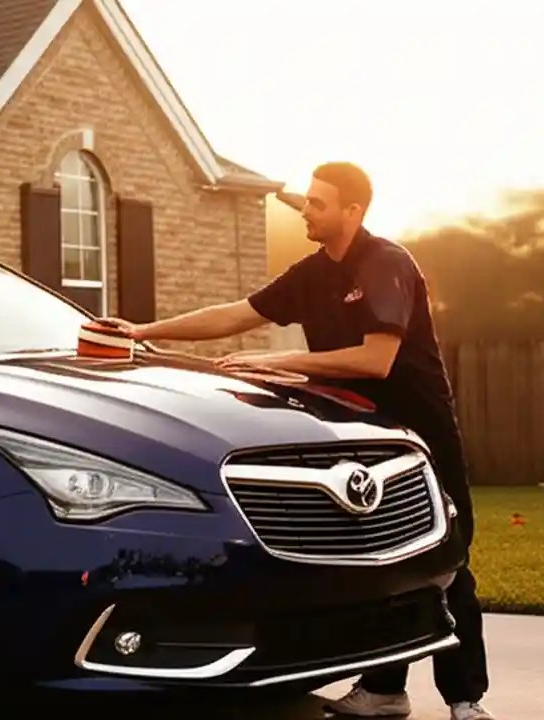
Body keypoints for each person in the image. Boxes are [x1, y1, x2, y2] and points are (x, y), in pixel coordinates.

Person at [99, 162, 493, 720]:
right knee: (370, 569)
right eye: (306, 201)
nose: (306, 210)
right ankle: (383, 690)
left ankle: (466, 701)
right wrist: (143, 331)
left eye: (319, 203)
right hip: (350, 437)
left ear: (353, 211)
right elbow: (235, 314)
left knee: (444, 563)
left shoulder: (386, 263)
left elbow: (375, 359)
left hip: (417, 440)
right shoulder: (311, 273)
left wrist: (280, 359)